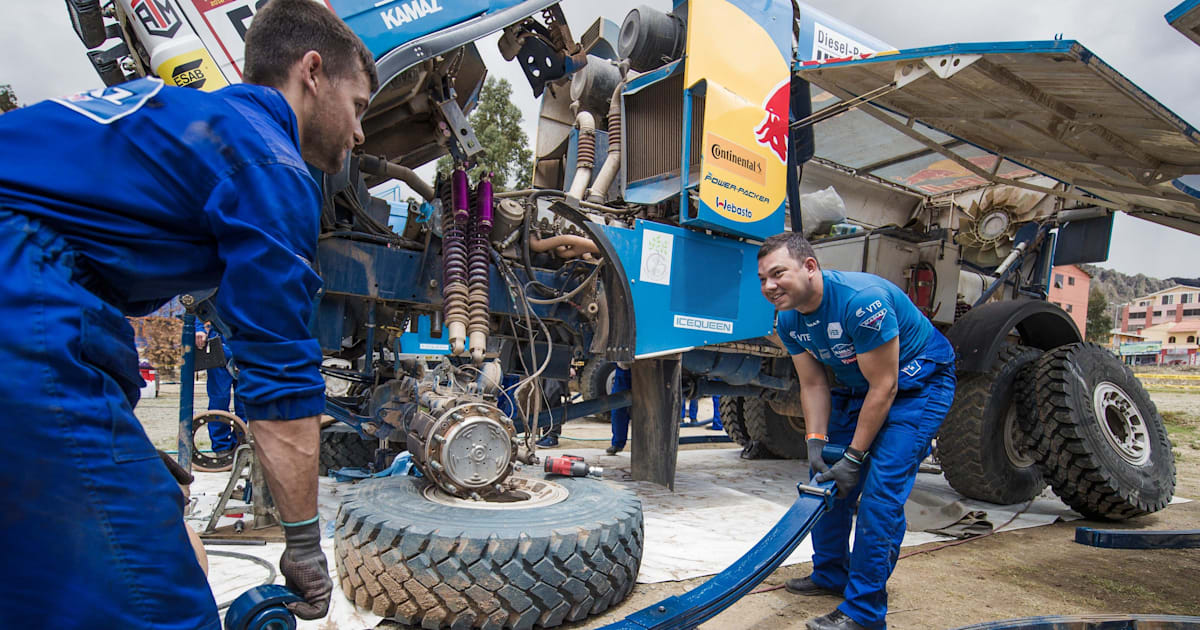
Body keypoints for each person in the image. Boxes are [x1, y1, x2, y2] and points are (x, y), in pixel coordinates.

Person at [0, 1, 376, 627]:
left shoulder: (191, 121)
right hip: (17, 281)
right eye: (359, 106)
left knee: (37, 585)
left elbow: (88, 295)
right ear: (312, 72)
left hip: (34, 284)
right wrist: (306, 546)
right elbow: (278, 380)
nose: (361, 132)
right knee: (155, 597)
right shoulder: (268, 163)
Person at [757, 232, 956, 630]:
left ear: (810, 267)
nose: (768, 286)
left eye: (778, 274)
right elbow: (813, 384)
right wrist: (816, 442)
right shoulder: (789, 318)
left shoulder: (861, 302)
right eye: (762, 278)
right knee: (826, 480)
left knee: (880, 497)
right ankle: (831, 574)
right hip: (864, 387)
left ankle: (864, 612)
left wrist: (854, 455)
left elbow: (887, 387)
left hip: (917, 385)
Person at [196, 321, 242, 453]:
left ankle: (240, 446)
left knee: (245, 404)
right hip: (220, 347)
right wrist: (200, 329)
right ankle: (221, 449)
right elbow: (199, 306)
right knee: (219, 401)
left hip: (247, 346)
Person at [605, 364, 631, 455]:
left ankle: (645, 443)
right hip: (624, 369)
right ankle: (617, 443)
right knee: (617, 406)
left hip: (647, 368)